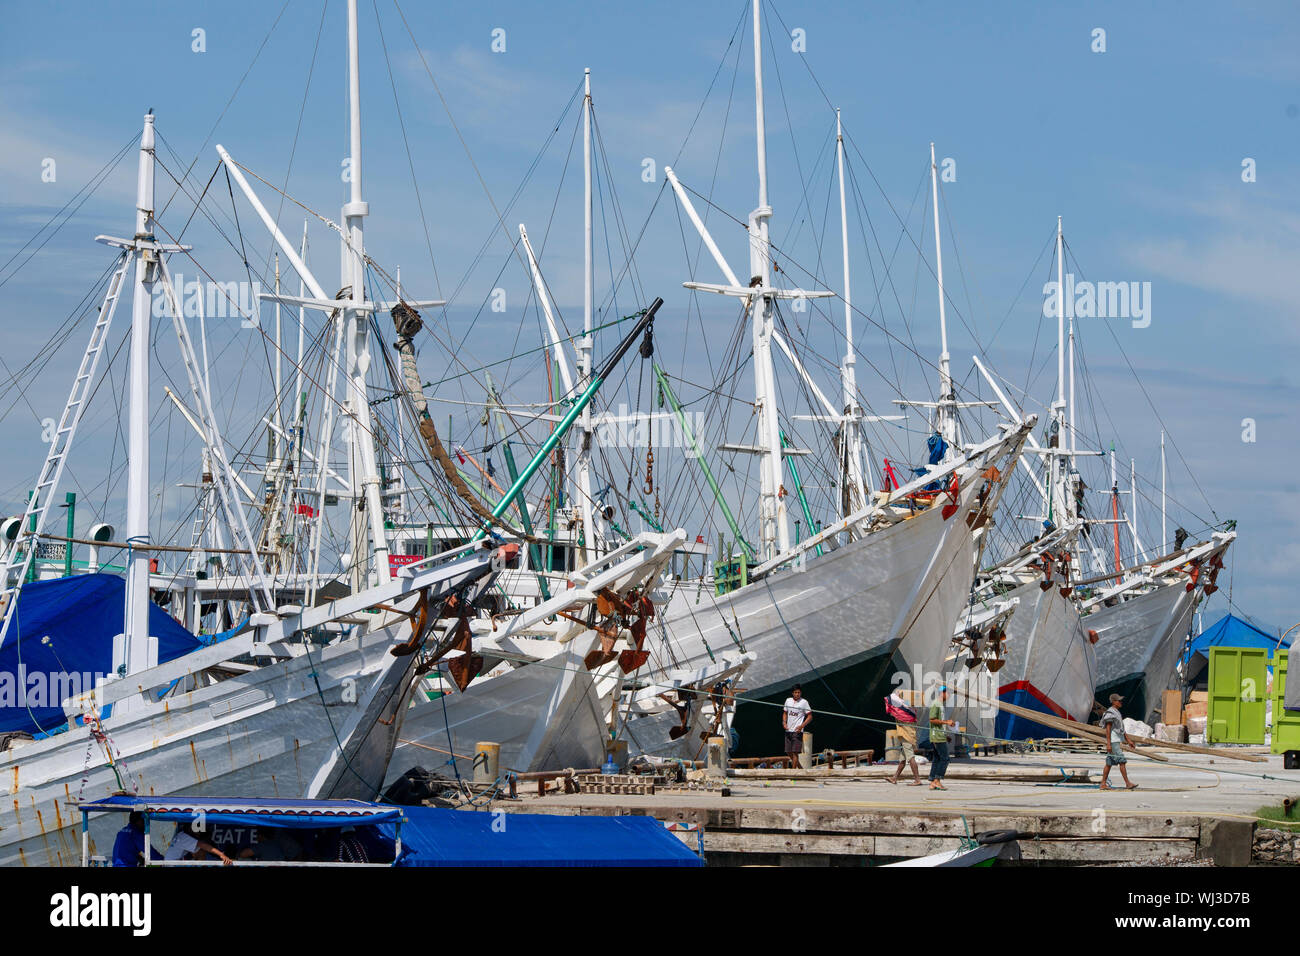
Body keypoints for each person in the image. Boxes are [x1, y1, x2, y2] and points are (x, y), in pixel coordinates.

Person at [1098, 692, 1138, 791]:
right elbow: (1108, 729)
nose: (1121, 702)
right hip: (1113, 741)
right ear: (1114, 702)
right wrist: (1108, 743)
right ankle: (1128, 783)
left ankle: (1103, 784)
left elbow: (1122, 730)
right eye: (1119, 701)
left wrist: (1129, 741)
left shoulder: (1117, 712)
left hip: (1115, 741)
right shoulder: (1110, 713)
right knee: (1122, 761)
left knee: (1109, 763)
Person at [885, 689, 922, 786]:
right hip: (909, 735)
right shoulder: (910, 708)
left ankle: (917, 780)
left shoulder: (903, 708)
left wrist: (897, 693)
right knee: (903, 759)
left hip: (907, 737)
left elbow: (890, 698)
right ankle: (894, 778)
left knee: (910, 758)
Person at [165, 822, 234, 865]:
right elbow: (204, 846)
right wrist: (221, 854)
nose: (198, 835)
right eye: (197, 832)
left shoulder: (181, 835)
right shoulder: (184, 838)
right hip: (172, 865)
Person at [928, 685, 956, 790]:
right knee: (945, 758)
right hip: (937, 736)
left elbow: (939, 722)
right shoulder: (936, 704)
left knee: (937, 758)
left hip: (940, 735)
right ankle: (937, 780)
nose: (949, 696)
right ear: (943, 693)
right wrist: (947, 722)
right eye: (948, 693)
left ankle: (932, 781)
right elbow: (932, 719)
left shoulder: (940, 705)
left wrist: (946, 735)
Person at [782, 685, 812, 768]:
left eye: (799, 692)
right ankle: (800, 768)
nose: (797, 694)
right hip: (788, 730)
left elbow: (810, 716)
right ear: (792, 693)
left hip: (797, 731)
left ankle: (793, 773)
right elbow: (785, 713)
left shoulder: (804, 702)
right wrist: (784, 723)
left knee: (795, 752)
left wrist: (801, 726)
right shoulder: (788, 700)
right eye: (795, 692)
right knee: (788, 751)